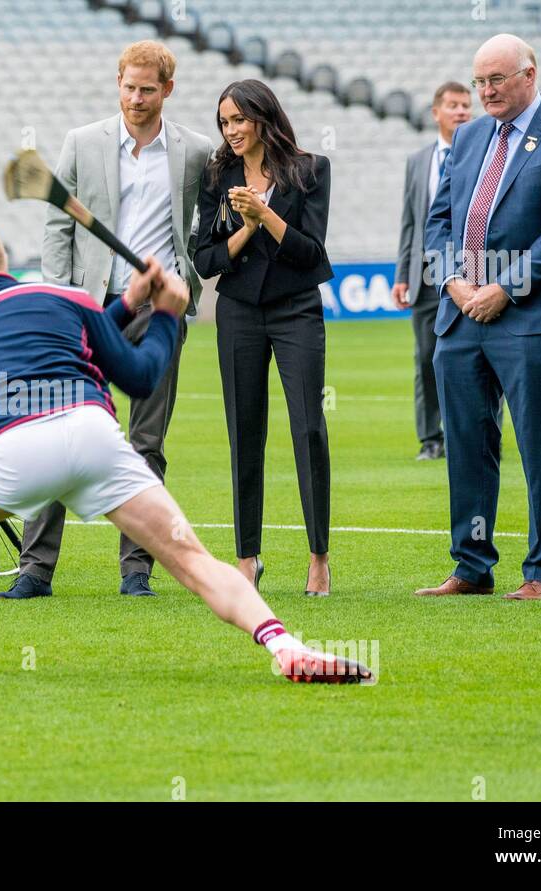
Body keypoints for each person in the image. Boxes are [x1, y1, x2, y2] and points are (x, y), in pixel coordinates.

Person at [0, 220, 372, 684]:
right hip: (95, 436)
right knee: (191, 559)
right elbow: (135, 374)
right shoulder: (68, 300)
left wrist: (149, 308)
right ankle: (285, 644)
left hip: (20, 451)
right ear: (2, 262)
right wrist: (162, 312)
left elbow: (11, 384)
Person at [0, 40, 213, 600]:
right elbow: (58, 226)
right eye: (128, 87)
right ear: (117, 83)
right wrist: (64, 296)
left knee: (145, 443)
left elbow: (200, 229)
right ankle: (35, 571)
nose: (136, 99)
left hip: (157, 311)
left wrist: (185, 284)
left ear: (168, 89)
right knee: (53, 433)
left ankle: (136, 570)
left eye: (147, 89)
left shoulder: (195, 151)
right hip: (90, 308)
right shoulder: (83, 142)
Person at [417, 35, 541, 602]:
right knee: (468, 445)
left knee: (536, 445)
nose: (486, 91)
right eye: (479, 81)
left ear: (529, 74)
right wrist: (454, 281)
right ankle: (471, 567)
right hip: (460, 313)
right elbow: (440, 221)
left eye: (497, 80)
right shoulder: (468, 137)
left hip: (525, 316)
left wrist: (505, 288)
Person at [192, 79, 334, 597]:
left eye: (238, 120)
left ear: (263, 117)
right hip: (239, 312)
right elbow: (206, 260)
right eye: (224, 121)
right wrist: (247, 227)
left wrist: (264, 213)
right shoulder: (217, 174)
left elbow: (311, 254)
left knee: (308, 429)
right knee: (244, 434)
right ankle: (247, 558)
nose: (230, 130)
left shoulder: (310, 169)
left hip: (297, 309)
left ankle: (319, 557)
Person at [393, 82, 473, 461]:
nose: (461, 112)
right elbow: (410, 222)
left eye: (465, 106)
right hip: (426, 274)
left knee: (481, 356)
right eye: (453, 105)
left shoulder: (486, 153)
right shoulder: (418, 161)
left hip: (475, 270)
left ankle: (479, 433)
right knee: (426, 356)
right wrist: (401, 275)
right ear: (436, 112)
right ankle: (431, 438)